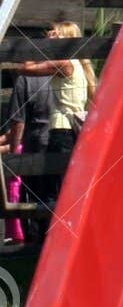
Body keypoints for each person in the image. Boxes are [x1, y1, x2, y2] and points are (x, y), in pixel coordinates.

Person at [5, 22, 96, 213]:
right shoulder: (77, 64)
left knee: (51, 190)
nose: (48, 37)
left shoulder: (64, 63)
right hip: (71, 130)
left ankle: (47, 236)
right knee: (61, 185)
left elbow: (26, 68)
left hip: (61, 130)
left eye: (54, 35)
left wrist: (38, 48)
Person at [2, 69, 52, 246]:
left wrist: (15, 156)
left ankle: (32, 239)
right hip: (58, 138)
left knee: (29, 194)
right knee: (52, 191)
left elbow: (18, 122)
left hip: (33, 143)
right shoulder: (56, 76)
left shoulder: (24, 80)